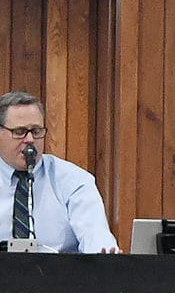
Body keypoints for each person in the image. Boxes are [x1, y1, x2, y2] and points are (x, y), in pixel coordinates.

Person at [0, 90, 119, 253]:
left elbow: (95, 234)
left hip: (58, 269)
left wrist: (104, 254)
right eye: (19, 132)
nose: (30, 140)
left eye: (36, 131)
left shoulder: (74, 180)